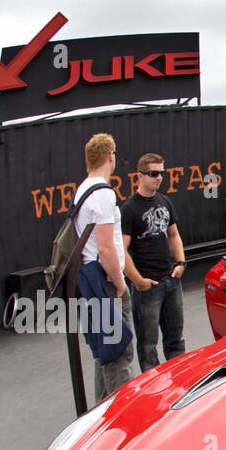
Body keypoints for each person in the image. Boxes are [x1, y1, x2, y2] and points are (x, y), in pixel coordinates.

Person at [73, 133, 136, 400]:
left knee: (105, 354)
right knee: (119, 353)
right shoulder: (102, 194)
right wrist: (120, 284)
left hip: (91, 281)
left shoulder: (83, 191)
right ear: (111, 156)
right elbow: (106, 247)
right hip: (107, 282)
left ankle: (100, 415)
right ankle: (125, 416)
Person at [121, 153, 186, 372]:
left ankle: (181, 383)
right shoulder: (129, 209)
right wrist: (138, 281)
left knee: (176, 340)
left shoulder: (165, 201)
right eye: (154, 173)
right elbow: (121, 250)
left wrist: (181, 263)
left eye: (162, 173)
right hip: (148, 286)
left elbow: (174, 235)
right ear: (139, 176)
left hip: (171, 280)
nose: (159, 178)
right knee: (148, 346)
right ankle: (155, 395)